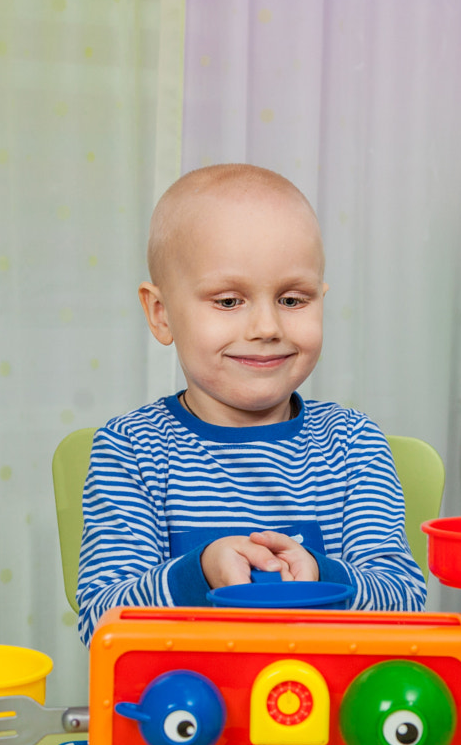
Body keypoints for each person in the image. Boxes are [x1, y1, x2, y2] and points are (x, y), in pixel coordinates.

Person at [76, 164, 426, 642]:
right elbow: (101, 622)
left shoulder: (353, 443)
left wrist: (325, 576)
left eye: (292, 300)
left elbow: (404, 600)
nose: (267, 327)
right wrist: (198, 574)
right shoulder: (131, 449)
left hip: (328, 704)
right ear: (161, 314)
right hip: (187, 709)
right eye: (227, 301)